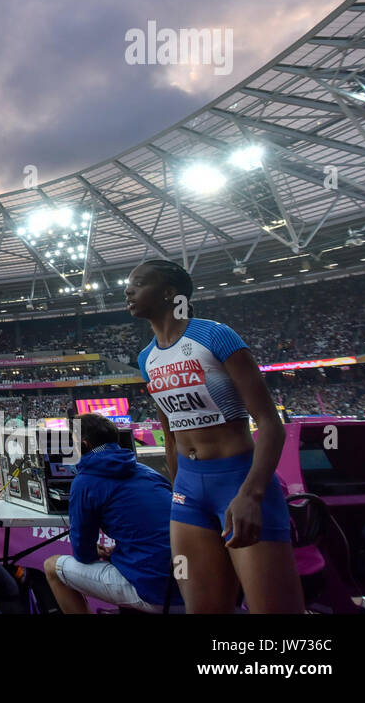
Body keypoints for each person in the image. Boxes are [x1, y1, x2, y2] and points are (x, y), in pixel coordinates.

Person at [128, 259, 302, 613]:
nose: (127, 291)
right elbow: (171, 435)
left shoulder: (215, 336)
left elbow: (270, 425)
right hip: (188, 493)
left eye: (138, 283)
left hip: (239, 482)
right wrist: (178, 490)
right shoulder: (146, 358)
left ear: (167, 293)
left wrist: (251, 495)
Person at [43, 413, 175, 613]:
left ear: (85, 445)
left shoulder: (85, 481)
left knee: (52, 567)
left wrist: (94, 550)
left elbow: (83, 554)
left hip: (155, 591)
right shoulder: (148, 472)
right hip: (192, 583)